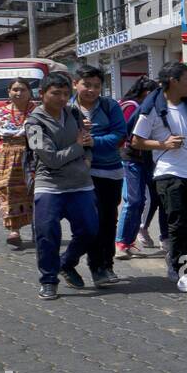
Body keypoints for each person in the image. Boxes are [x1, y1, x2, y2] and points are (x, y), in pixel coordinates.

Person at [130, 62, 187, 293]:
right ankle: (183, 273)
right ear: (173, 81)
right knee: (178, 224)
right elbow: (136, 141)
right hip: (168, 172)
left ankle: (174, 256)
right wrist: (163, 144)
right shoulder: (154, 108)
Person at [25, 73, 97, 300]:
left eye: (66, 94)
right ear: (42, 94)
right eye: (55, 93)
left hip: (80, 183)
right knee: (47, 235)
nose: (62, 98)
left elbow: (86, 140)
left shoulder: (74, 113)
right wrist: (77, 148)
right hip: (49, 185)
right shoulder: (33, 124)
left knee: (90, 231)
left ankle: (65, 264)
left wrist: (87, 157)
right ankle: (48, 280)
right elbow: (50, 159)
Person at [71, 65, 127, 287]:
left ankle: (106, 264)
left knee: (107, 220)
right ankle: (91, 264)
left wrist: (95, 141)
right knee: (90, 221)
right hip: (78, 173)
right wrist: (76, 132)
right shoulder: (67, 108)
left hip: (109, 172)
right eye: (87, 85)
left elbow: (120, 135)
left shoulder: (109, 105)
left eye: (96, 86)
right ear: (76, 83)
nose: (91, 90)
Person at [115, 76, 164, 259]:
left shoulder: (146, 107)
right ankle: (121, 242)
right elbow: (128, 134)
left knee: (141, 201)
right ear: (147, 93)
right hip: (130, 158)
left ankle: (129, 242)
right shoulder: (132, 106)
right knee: (133, 200)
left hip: (143, 158)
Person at [0, 77, 36, 247]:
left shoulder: (38, 111)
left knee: (35, 190)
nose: (19, 92)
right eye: (15, 89)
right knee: (8, 191)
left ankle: (39, 228)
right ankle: (14, 230)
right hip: (8, 158)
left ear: (30, 92)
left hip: (33, 155)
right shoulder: (0, 113)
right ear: (9, 91)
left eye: (23, 89)